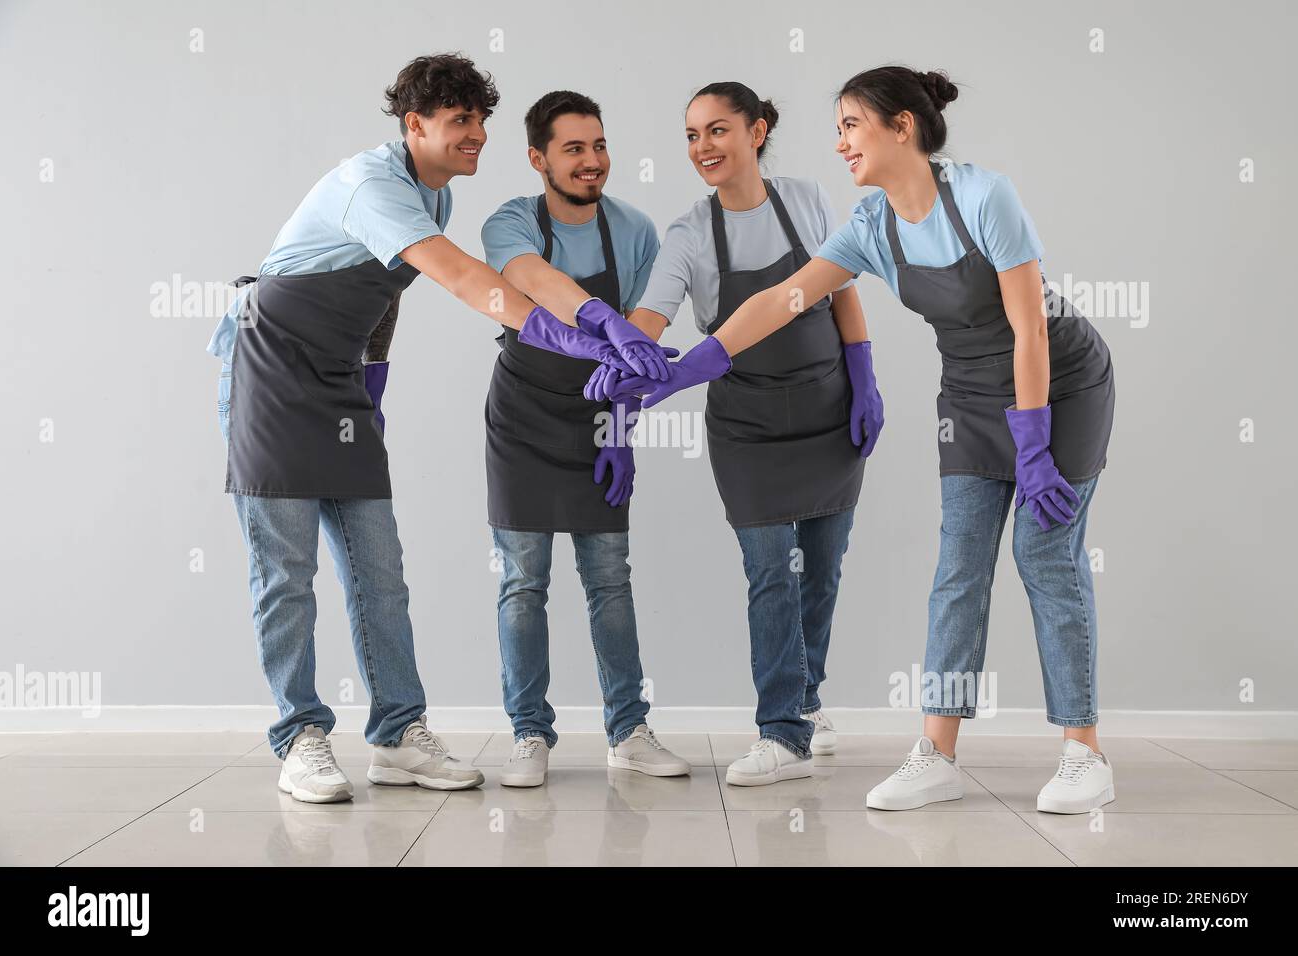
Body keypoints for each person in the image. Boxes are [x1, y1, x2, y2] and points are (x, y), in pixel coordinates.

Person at [629, 67, 1117, 813]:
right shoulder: (871, 223)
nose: (840, 142)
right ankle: (938, 752)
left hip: (1061, 385)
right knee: (958, 568)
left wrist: (1034, 440)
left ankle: (1083, 753)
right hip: (970, 395)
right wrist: (692, 367)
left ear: (903, 128)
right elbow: (784, 297)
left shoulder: (986, 196)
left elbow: (1029, 328)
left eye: (853, 124)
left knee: (1044, 554)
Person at [208, 54, 658, 803]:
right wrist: (575, 335)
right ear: (414, 126)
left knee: (379, 572)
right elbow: (464, 279)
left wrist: (373, 378)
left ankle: (396, 735)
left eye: (481, 120)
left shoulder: (434, 193)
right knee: (286, 575)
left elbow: (387, 295)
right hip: (273, 375)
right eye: (460, 122)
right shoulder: (373, 184)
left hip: (341, 384)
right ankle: (301, 738)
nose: (476, 134)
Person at [589, 82, 884, 787]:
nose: (702, 149)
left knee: (822, 570)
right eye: (691, 136)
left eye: (716, 130)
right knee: (769, 573)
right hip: (747, 430)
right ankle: (780, 733)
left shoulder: (808, 199)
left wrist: (865, 377)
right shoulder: (690, 234)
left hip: (828, 414)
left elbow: (842, 289)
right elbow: (651, 321)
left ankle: (806, 699)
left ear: (756, 132)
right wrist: (620, 373)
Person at [478, 90, 691, 786]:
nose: (592, 161)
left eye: (599, 146)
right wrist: (600, 316)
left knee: (609, 578)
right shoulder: (511, 222)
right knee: (523, 580)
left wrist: (620, 430)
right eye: (574, 149)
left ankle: (628, 729)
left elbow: (641, 336)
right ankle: (529, 736)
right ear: (538, 158)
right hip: (523, 415)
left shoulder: (633, 230)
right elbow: (532, 280)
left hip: (597, 411)